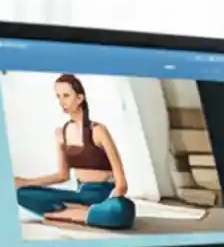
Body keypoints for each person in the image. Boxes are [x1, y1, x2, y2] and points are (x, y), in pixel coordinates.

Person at [15, 73, 136, 230]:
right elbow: (62, 175)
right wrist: (25, 182)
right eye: (58, 96)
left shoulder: (98, 130)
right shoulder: (62, 132)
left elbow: (121, 185)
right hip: (81, 195)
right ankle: (84, 212)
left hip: (105, 194)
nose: (61, 102)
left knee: (120, 211)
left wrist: (112, 199)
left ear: (79, 98)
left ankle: (67, 214)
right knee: (22, 193)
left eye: (66, 95)